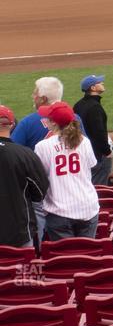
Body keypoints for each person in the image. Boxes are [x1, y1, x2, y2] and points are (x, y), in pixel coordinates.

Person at [34, 101, 99, 240]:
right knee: (87, 258)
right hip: (88, 207)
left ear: (54, 123)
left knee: (65, 259)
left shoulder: (42, 146)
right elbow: (92, 166)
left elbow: (39, 178)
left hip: (59, 211)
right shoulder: (84, 141)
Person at [0, 105, 49, 249]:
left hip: (20, 230)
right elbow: (40, 192)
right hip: (18, 232)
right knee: (22, 270)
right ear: (13, 125)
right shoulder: (25, 154)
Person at [73, 74, 111, 186]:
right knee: (99, 188)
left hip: (82, 152)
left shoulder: (78, 105)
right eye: (99, 82)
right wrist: (107, 151)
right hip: (97, 155)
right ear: (93, 88)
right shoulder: (95, 107)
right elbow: (99, 133)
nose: (102, 83)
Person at [12, 77, 66, 150]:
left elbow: (12, 151)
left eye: (35, 94)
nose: (32, 96)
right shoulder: (75, 118)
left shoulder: (28, 122)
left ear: (43, 99)